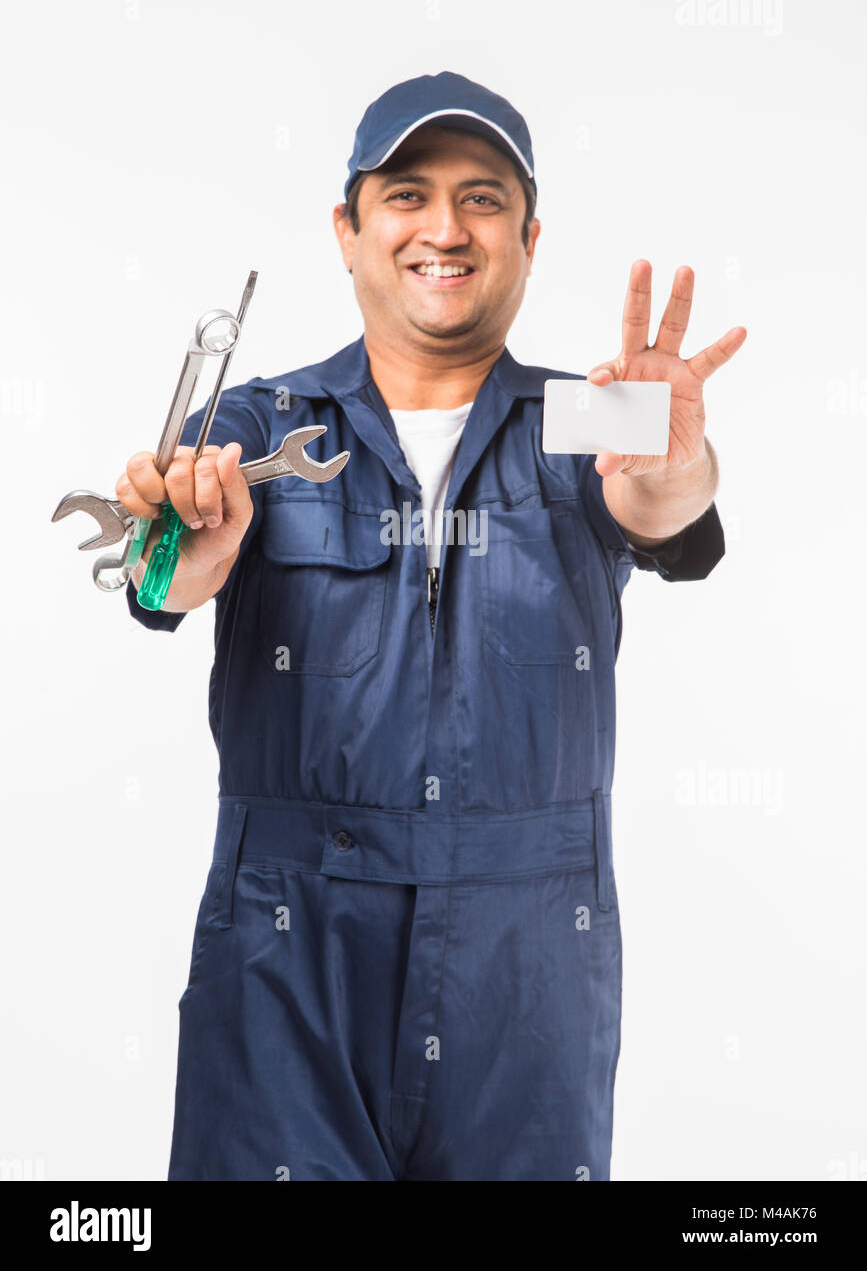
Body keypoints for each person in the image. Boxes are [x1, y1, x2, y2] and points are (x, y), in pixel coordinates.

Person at [119, 70, 746, 1181]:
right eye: (407, 194)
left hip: (529, 971)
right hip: (287, 958)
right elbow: (161, 577)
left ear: (529, 235)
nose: (444, 227)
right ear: (349, 229)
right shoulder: (261, 420)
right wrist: (184, 552)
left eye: (483, 197)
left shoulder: (592, 411)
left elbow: (661, 502)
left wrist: (677, 453)